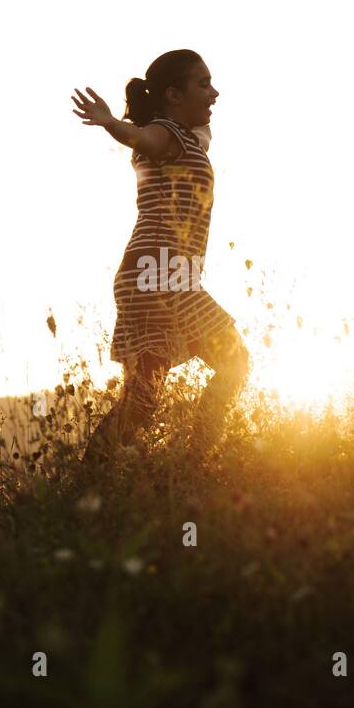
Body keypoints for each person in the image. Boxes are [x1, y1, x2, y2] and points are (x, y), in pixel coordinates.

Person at [72, 49, 249, 466]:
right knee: (232, 362)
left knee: (144, 400)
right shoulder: (165, 134)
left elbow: (197, 133)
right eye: (203, 84)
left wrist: (194, 114)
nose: (214, 92)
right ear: (173, 95)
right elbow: (142, 137)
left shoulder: (187, 137)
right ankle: (191, 466)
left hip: (169, 276)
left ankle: (105, 479)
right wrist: (112, 123)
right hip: (157, 276)